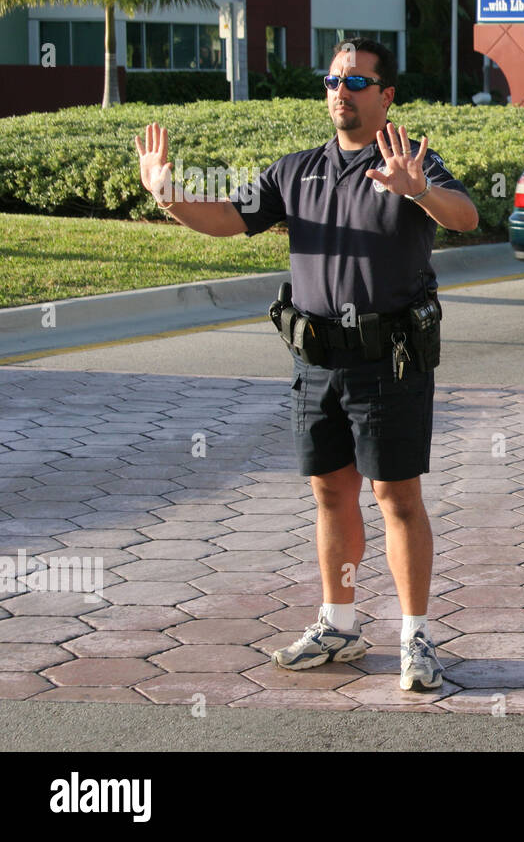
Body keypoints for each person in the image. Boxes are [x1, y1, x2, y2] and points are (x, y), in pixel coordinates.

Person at [133, 38, 479, 691]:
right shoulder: (294, 171)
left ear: (385, 96)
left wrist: (420, 192)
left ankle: (416, 639)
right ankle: (339, 625)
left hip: (391, 363)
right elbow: (231, 219)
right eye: (331, 80)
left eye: (355, 82)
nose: (340, 91)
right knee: (330, 492)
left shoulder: (411, 162)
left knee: (396, 497)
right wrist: (168, 195)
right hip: (317, 362)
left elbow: (466, 215)